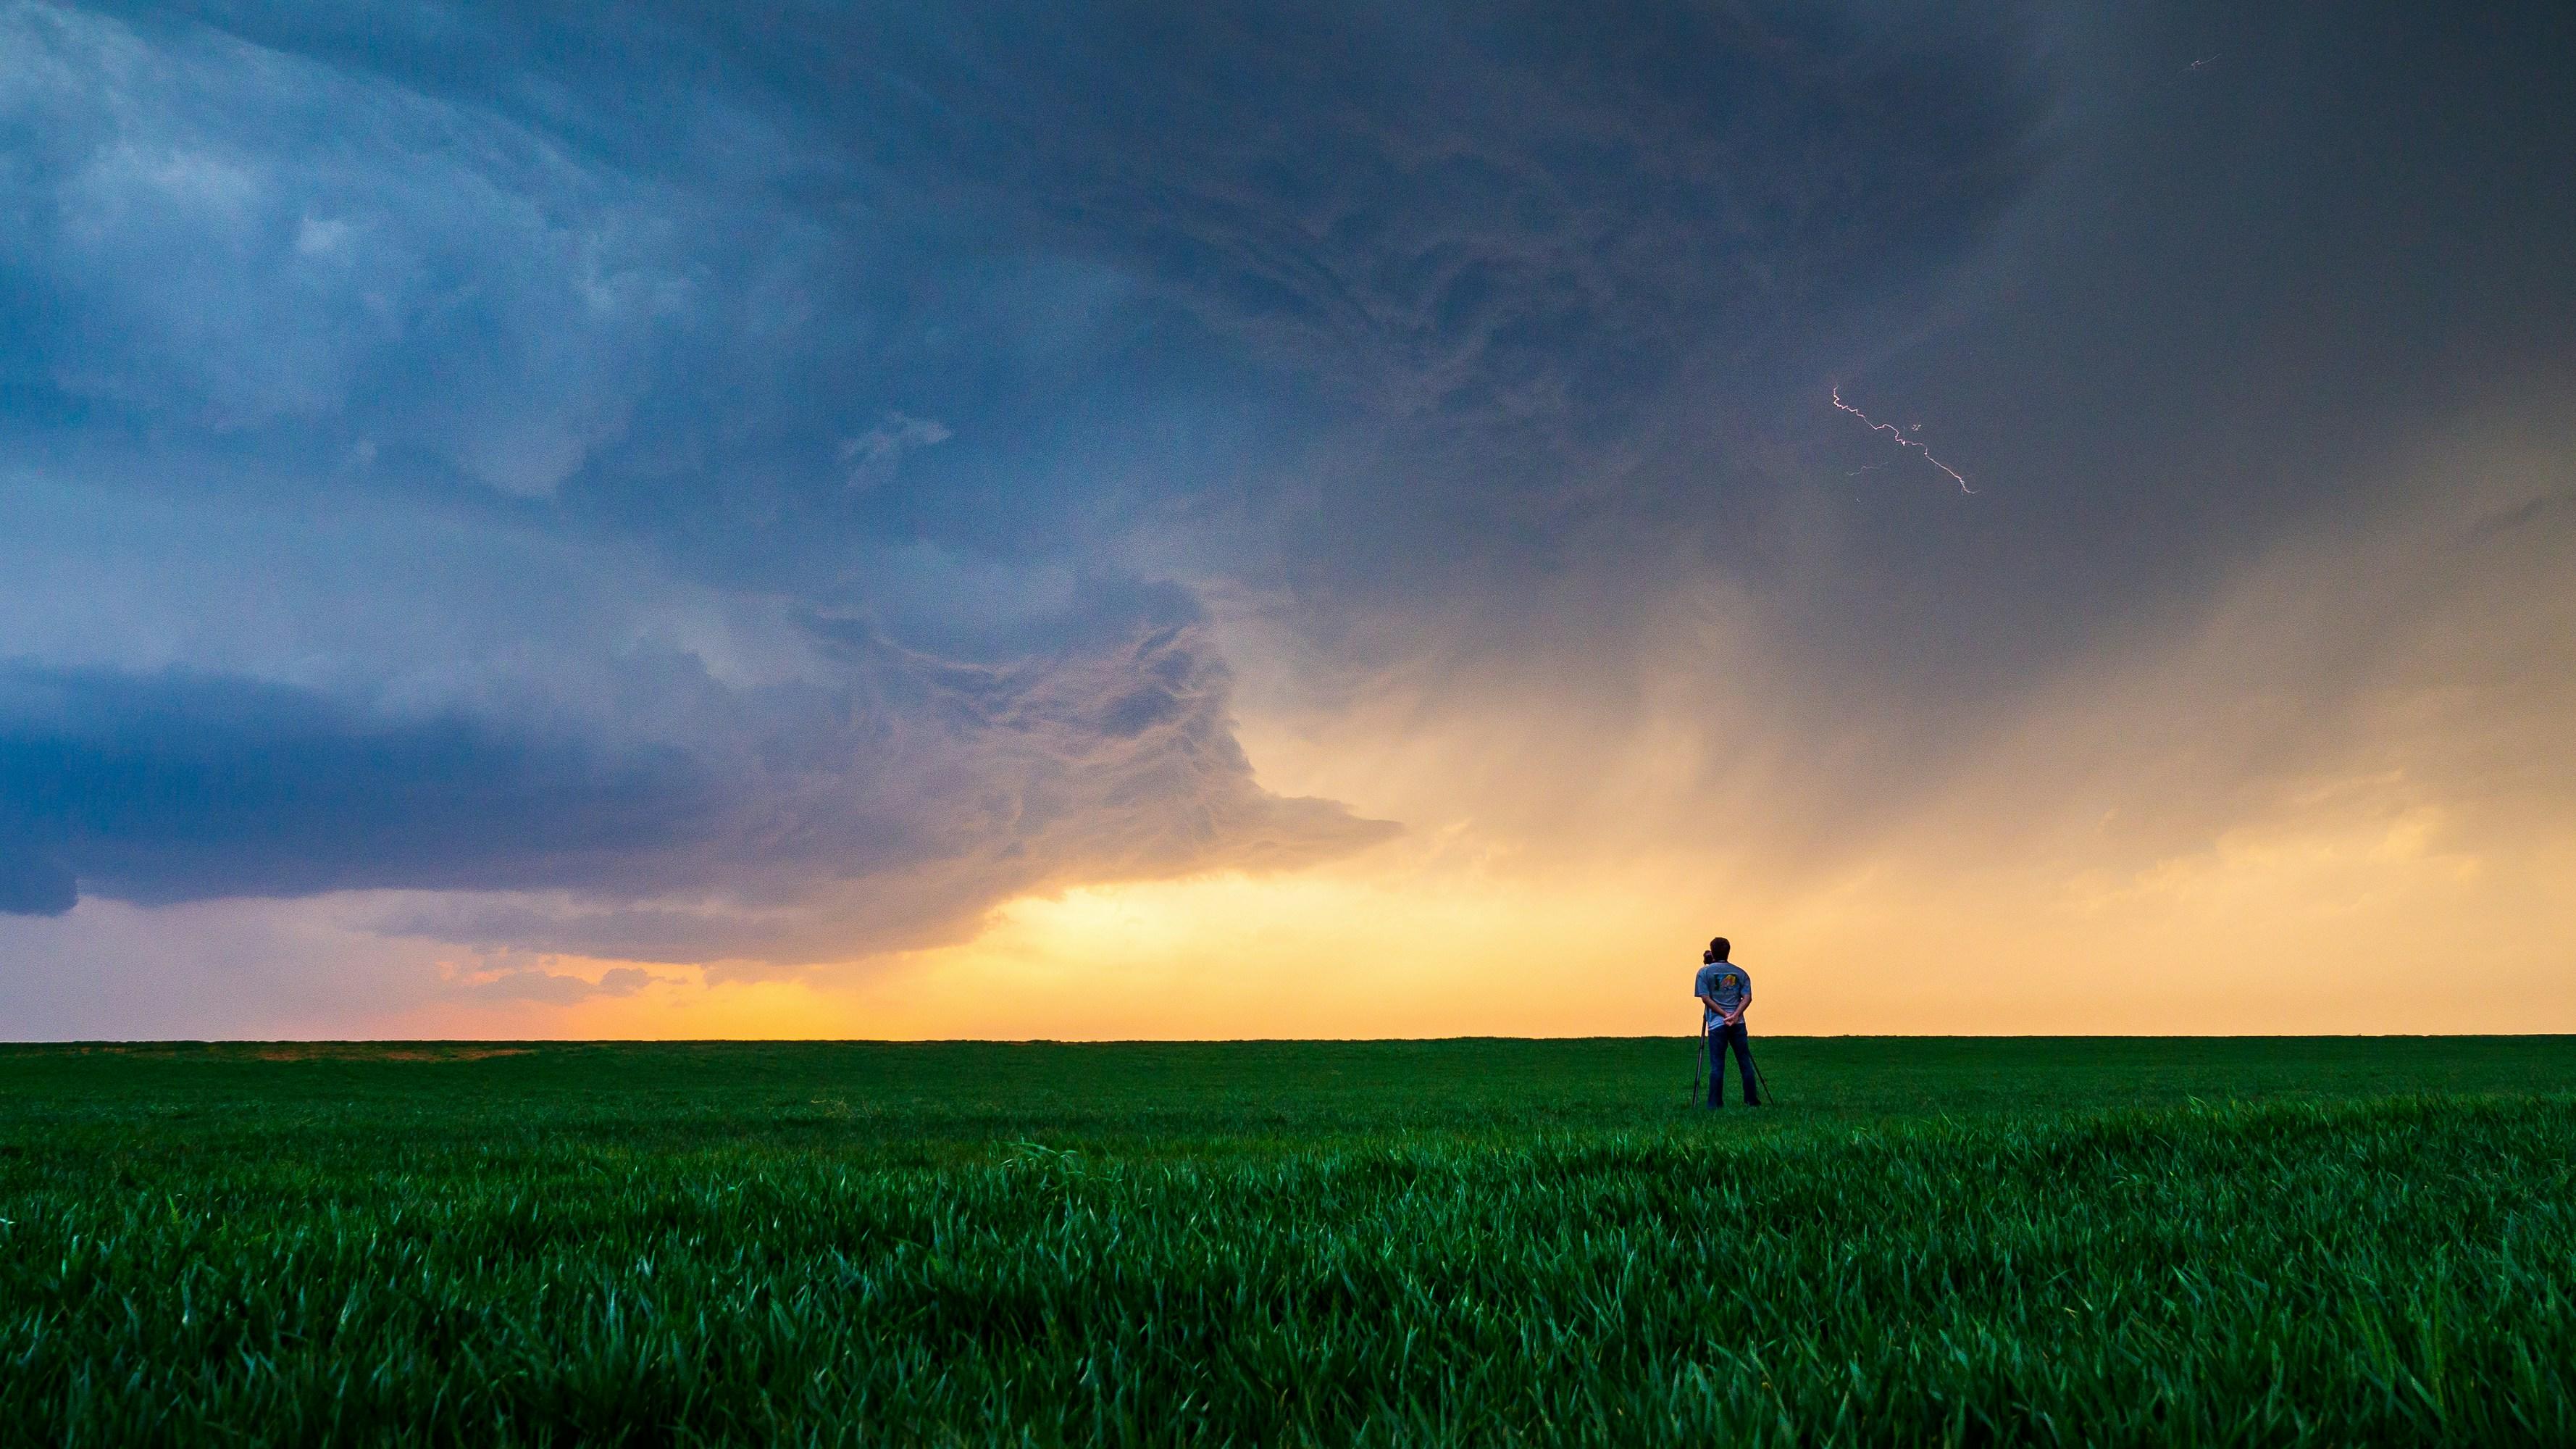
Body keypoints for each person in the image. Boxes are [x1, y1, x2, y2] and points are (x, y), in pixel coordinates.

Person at [1694, 936, 1758, 1107]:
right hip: (1738, 1024)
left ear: (1712, 952)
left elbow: (1705, 998)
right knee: (1745, 1062)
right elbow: (1748, 997)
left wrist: (1724, 1014)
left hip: (1717, 1024)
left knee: (1717, 1065)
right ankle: (1751, 1100)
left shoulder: (1704, 973)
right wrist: (1735, 1015)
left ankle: (1714, 1103)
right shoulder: (1741, 973)